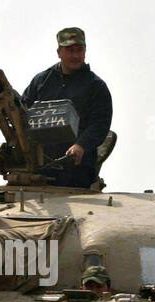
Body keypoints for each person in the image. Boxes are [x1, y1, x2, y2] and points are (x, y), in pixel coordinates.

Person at [21, 27, 112, 189]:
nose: (76, 55)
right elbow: (22, 112)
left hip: (77, 171)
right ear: (59, 52)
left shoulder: (96, 86)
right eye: (70, 50)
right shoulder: (42, 81)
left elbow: (100, 124)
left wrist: (81, 145)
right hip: (39, 170)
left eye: (80, 50)